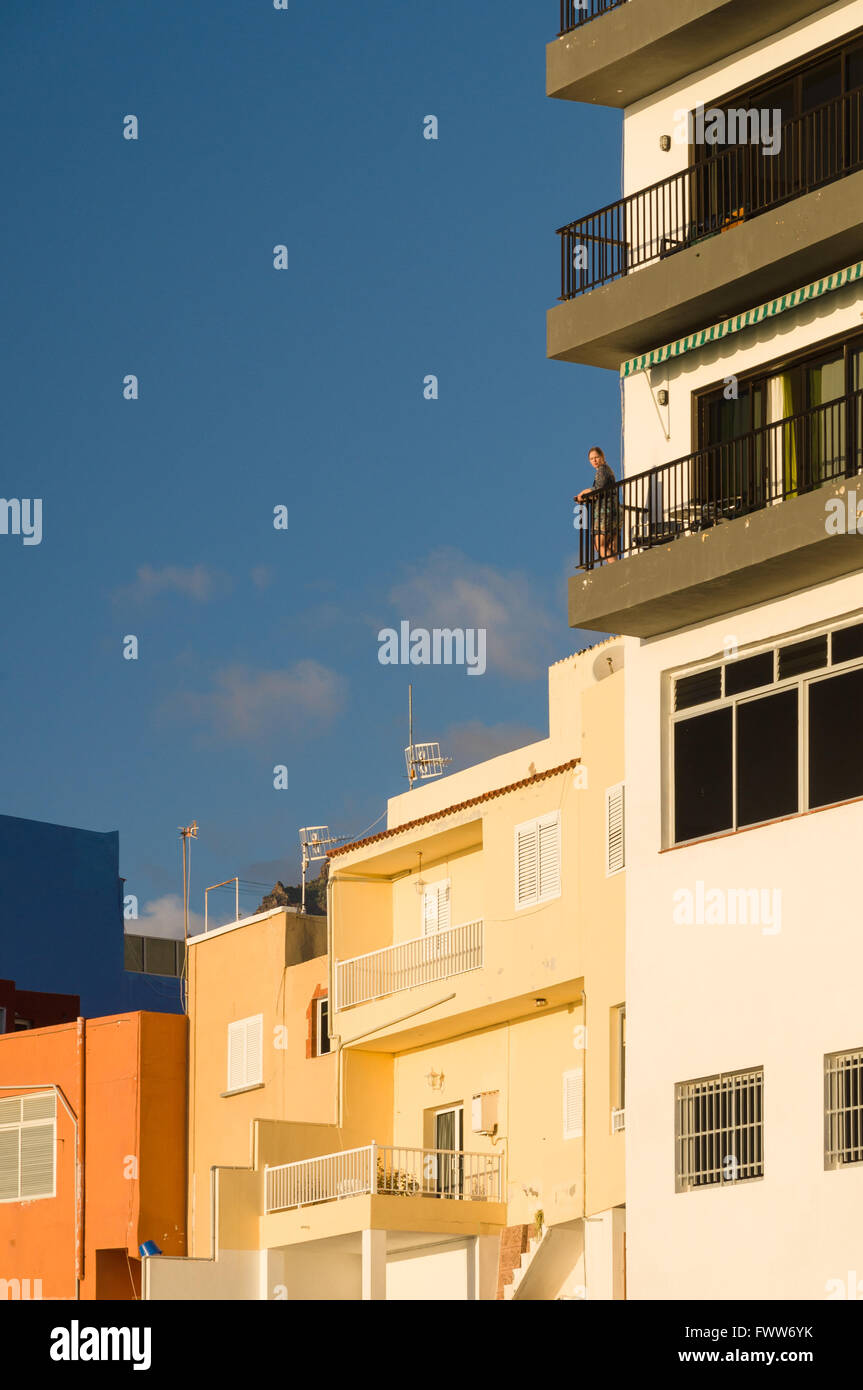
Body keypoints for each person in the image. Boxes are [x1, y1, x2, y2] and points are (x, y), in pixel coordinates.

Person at [575, 445, 620, 564]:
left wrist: (583, 493)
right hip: (612, 512)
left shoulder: (602, 470)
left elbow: (597, 489)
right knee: (609, 546)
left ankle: (617, 568)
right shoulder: (607, 470)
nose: (594, 460)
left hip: (605, 513)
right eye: (591, 459)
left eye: (596, 457)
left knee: (599, 546)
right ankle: (618, 567)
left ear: (602, 457)